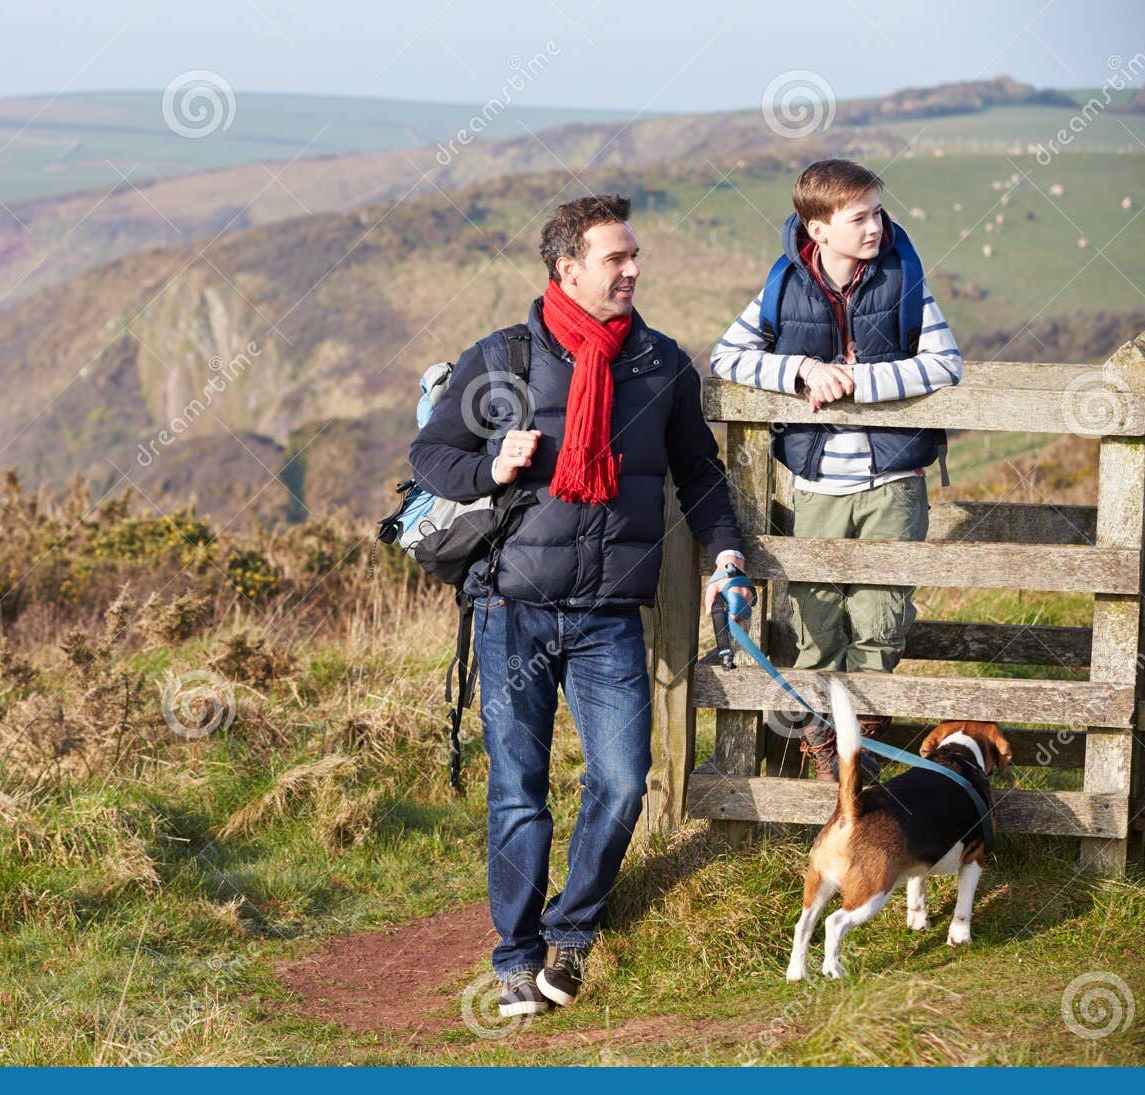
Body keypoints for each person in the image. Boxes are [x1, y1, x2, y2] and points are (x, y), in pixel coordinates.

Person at [410, 194, 748, 1018]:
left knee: (625, 780)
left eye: (635, 257)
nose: (633, 270)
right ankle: (516, 956)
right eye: (616, 259)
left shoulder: (660, 366)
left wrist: (727, 552)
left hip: (606, 615)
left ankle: (574, 927)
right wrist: (492, 466)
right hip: (511, 608)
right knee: (520, 790)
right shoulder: (504, 358)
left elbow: (700, 474)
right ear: (568, 270)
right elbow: (430, 457)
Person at [708, 159, 963, 783]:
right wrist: (799, 370)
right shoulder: (783, 287)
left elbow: (946, 364)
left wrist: (857, 383)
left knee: (879, 624)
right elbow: (724, 356)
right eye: (859, 217)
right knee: (815, 626)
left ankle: (864, 762)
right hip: (816, 483)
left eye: (877, 212)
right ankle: (826, 759)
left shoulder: (904, 279)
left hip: (894, 482)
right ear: (817, 229)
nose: (876, 226)